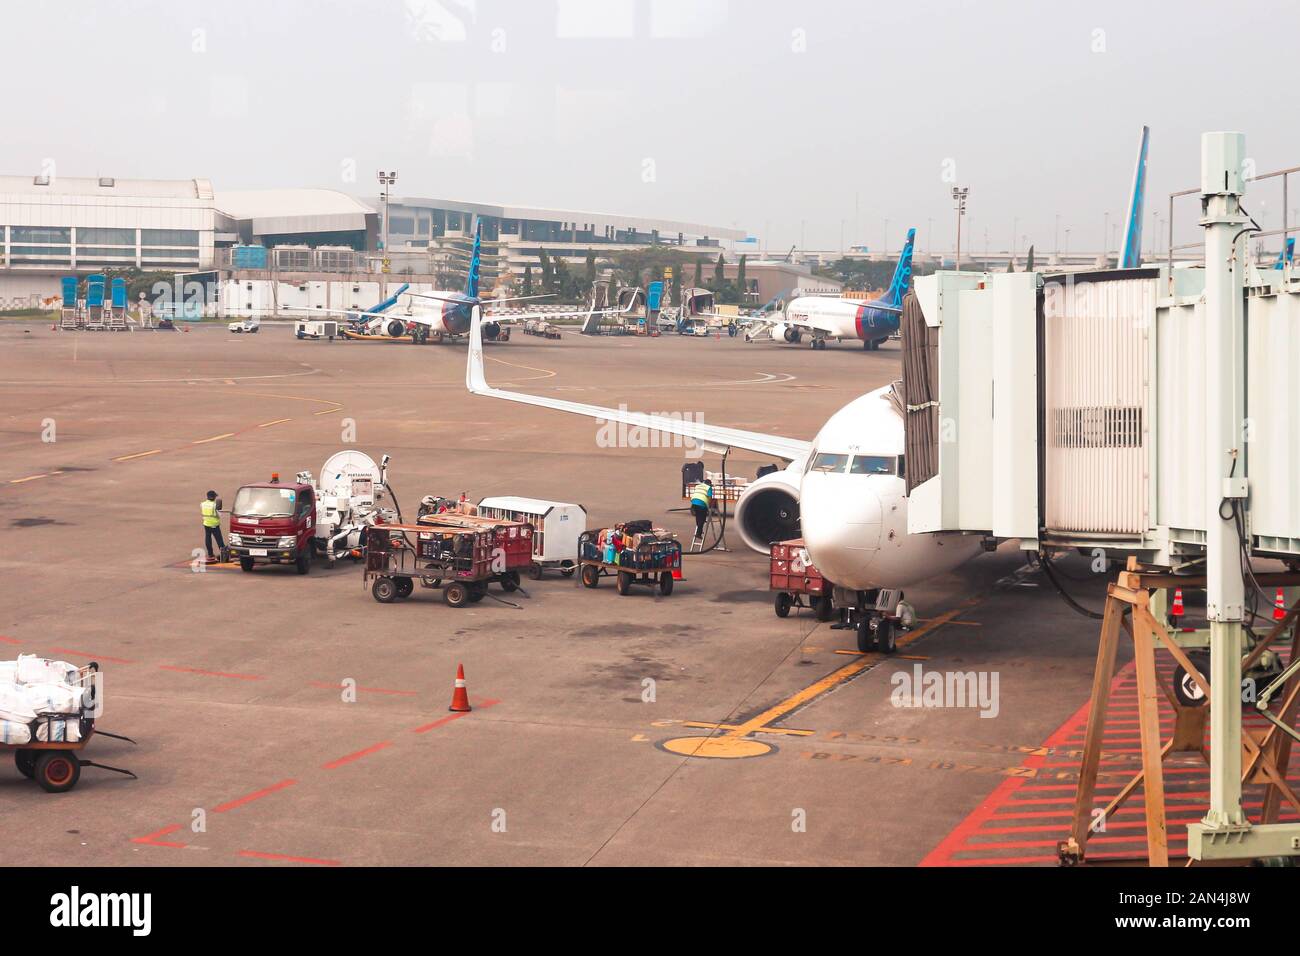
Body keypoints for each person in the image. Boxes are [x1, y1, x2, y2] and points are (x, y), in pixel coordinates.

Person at [201, 490, 225, 562]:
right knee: (219, 539)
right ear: (214, 497)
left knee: (208, 538)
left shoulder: (202, 504)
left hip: (206, 524)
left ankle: (210, 554)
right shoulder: (214, 505)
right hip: (214, 524)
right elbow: (220, 515)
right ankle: (223, 554)